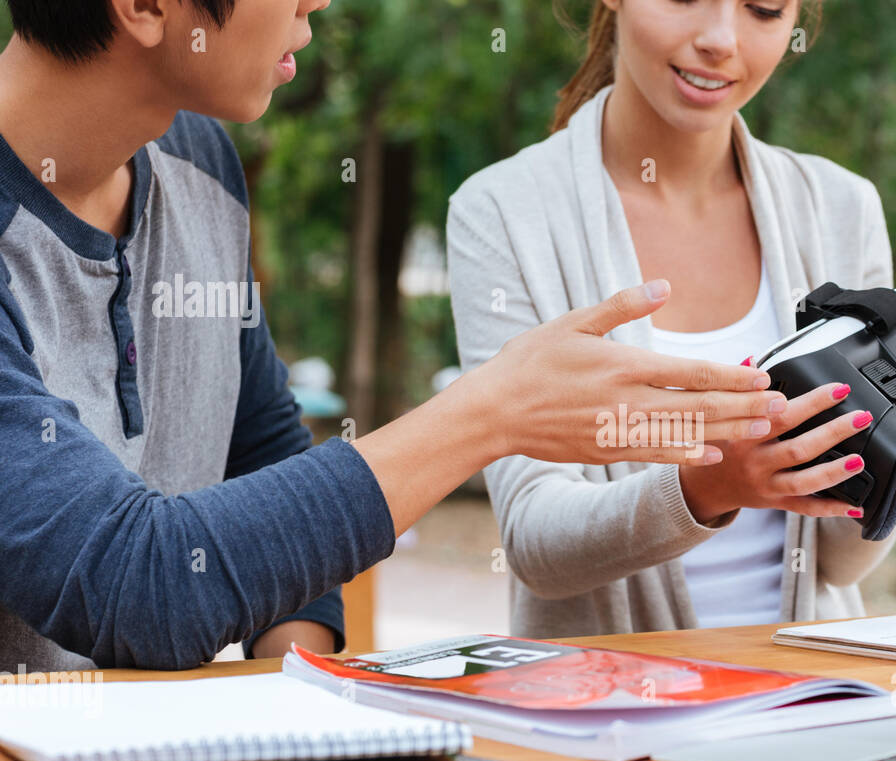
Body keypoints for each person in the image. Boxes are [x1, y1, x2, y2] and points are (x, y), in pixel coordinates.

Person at [0, 0, 788, 672]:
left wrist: (293, 700)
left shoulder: (198, 162)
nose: (317, 2)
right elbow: (135, 582)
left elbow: (263, 448)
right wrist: (487, 414)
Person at [449, 0, 896, 637]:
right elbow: (535, 547)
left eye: (763, 9)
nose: (721, 39)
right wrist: (707, 488)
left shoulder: (840, 207)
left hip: (808, 699)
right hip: (609, 716)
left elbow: (838, 567)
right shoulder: (501, 213)